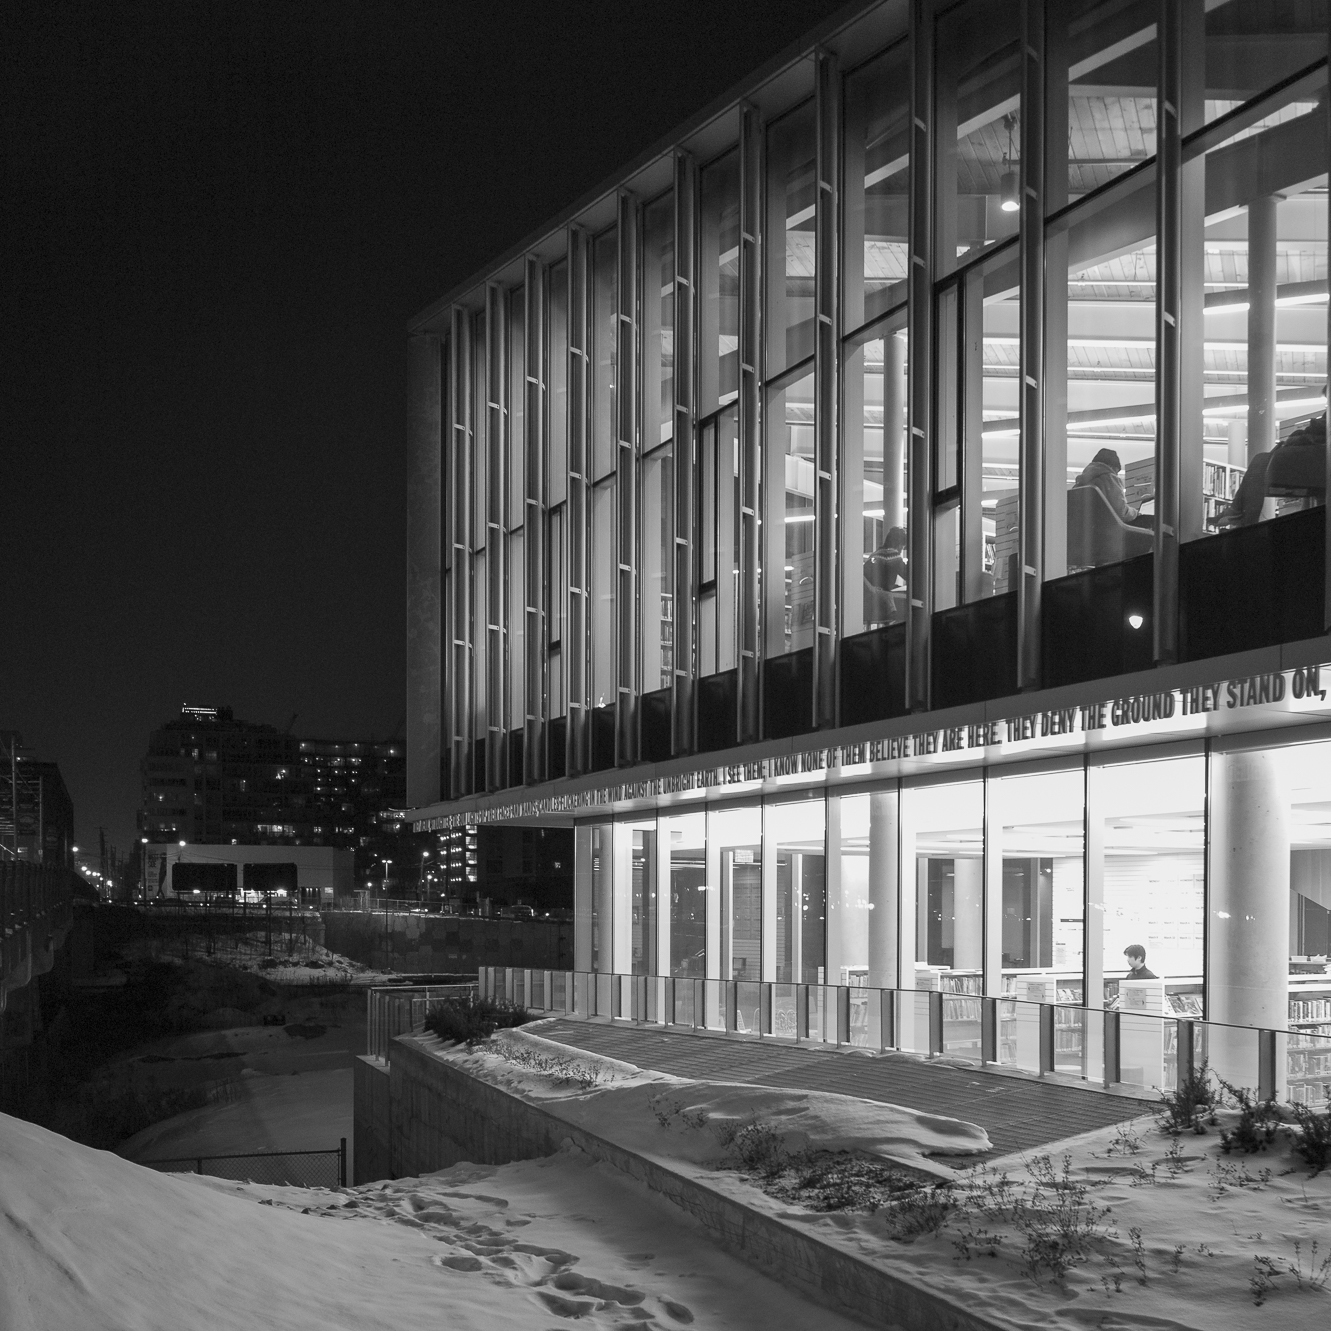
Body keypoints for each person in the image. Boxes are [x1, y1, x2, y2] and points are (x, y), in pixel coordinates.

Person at [1072, 448, 1151, 527]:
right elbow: (1121, 512)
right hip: (1107, 533)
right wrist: (1136, 512)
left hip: (1083, 534)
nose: (1116, 475)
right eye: (1116, 472)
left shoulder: (1079, 484)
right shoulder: (1109, 478)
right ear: (1111, 467)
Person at [863, 526, 908, 625]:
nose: (902, 549)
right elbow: (908, 575)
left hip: (868, 598)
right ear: (898, 544)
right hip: (882, 599)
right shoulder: (893, 556)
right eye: (902, 546)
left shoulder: (875, 554)